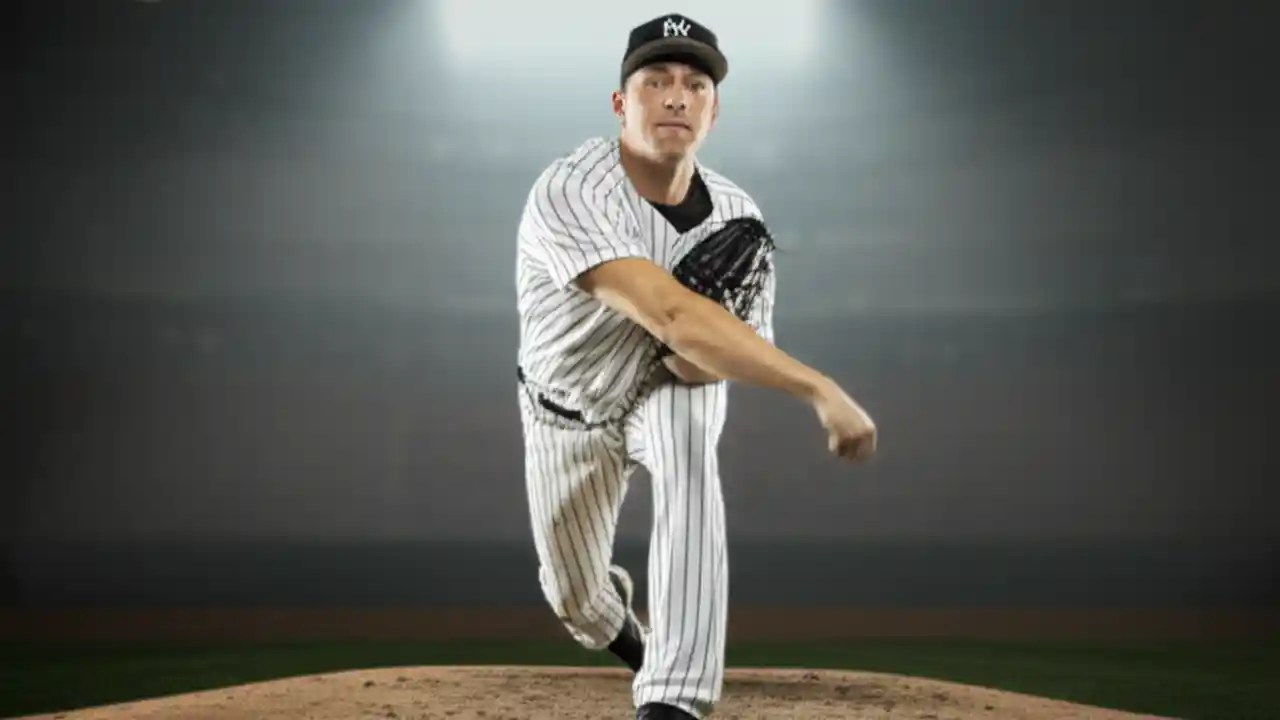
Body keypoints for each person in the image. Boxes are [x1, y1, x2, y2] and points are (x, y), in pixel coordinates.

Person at [513, 13, 877, 720]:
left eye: (695, 83)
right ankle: (628, 635)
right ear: (620, 103)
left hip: (661, 386)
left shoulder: (738, 215)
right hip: (566, 408)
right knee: (575, 600)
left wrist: (700, 362)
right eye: (656, 80)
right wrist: (819, 387)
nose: (677, 95)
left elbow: (726, 351)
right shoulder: (569, 190)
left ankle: (673, 696)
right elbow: (673, 314)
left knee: (687, 442)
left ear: (714, 111)